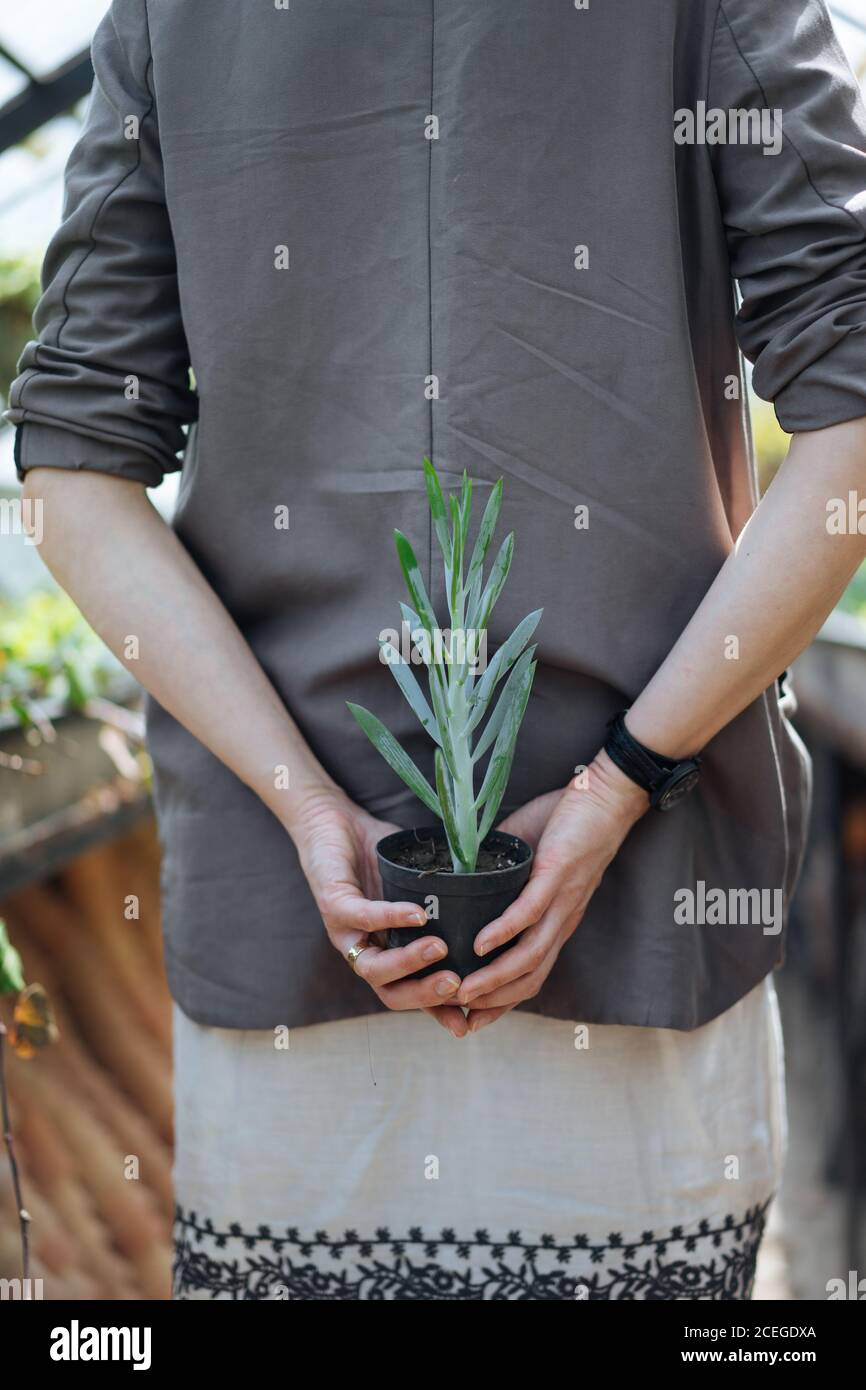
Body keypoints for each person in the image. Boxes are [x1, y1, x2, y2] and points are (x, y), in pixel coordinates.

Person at [8, 0, 866, 1300]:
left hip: (288, 938)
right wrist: (621, 777)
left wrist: (302, 805)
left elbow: (70, 477)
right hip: (648, 910)